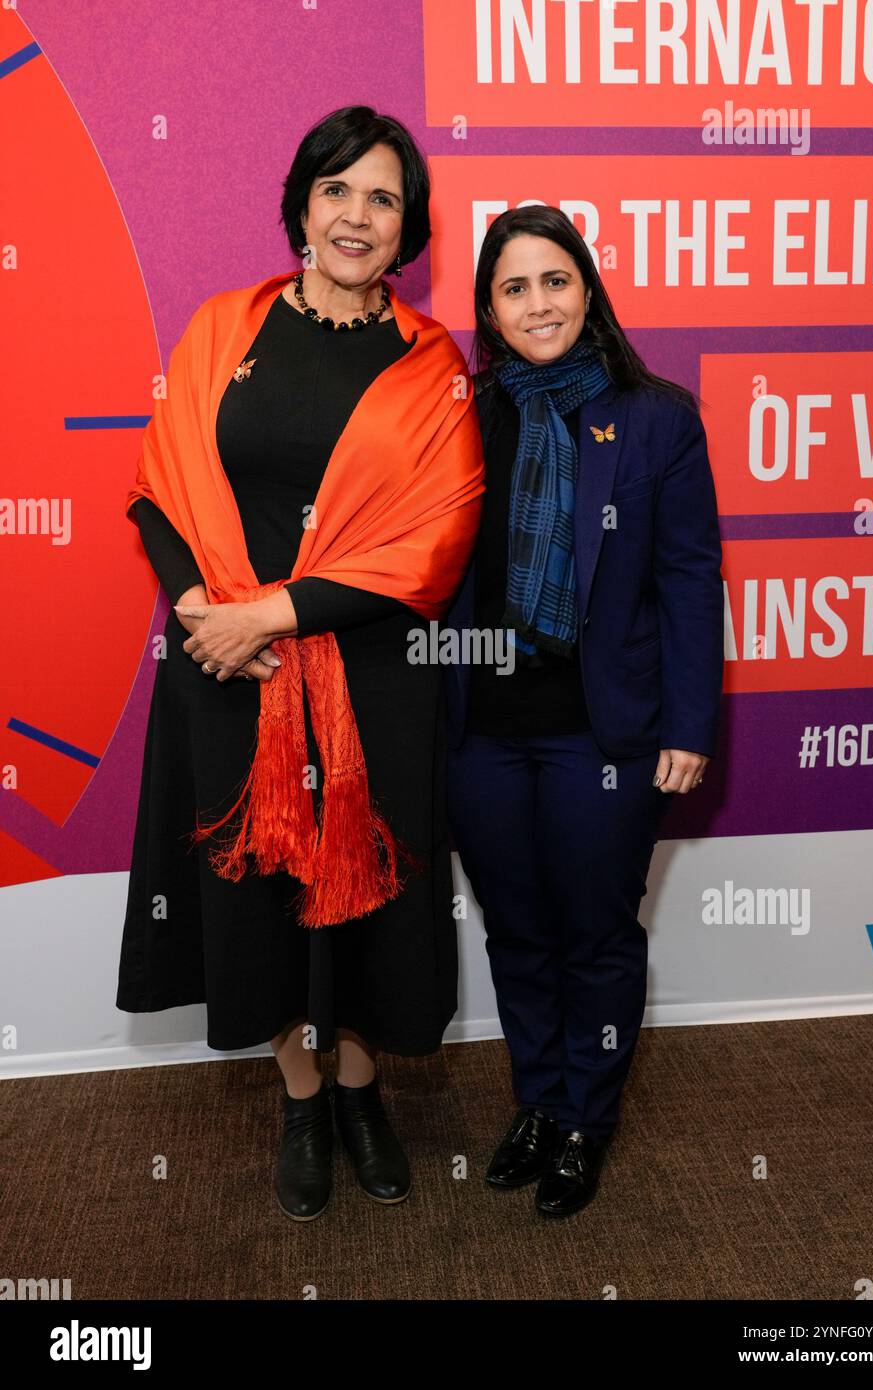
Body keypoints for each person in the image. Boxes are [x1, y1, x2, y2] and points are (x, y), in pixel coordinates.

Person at [117, 105, 484, 1222]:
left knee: (370, 885)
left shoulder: (430, 364)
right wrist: (202, 614)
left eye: (381, 197)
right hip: (227, 670)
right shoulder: (221, 329)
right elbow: (158, 485)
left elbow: (436, 535)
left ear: (407, 225)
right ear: (302, 207)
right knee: (256, 891)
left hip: (370, 669)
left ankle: (363, 1090)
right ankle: (297, 1092)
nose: (356, 215)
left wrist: (265, 612)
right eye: (337, 190)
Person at [442, 205, 724, 1218]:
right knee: (516, 930)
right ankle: (537, 1099)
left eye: (553, 280)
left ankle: (584, 1123)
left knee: (595, 934)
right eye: (513, 288)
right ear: (489, 308)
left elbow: (690, 578)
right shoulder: (462, 414)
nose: (537, 303)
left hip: (604, 733)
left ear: (586, 288)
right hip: (480, 734)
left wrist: (690, 724)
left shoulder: (653, 414)